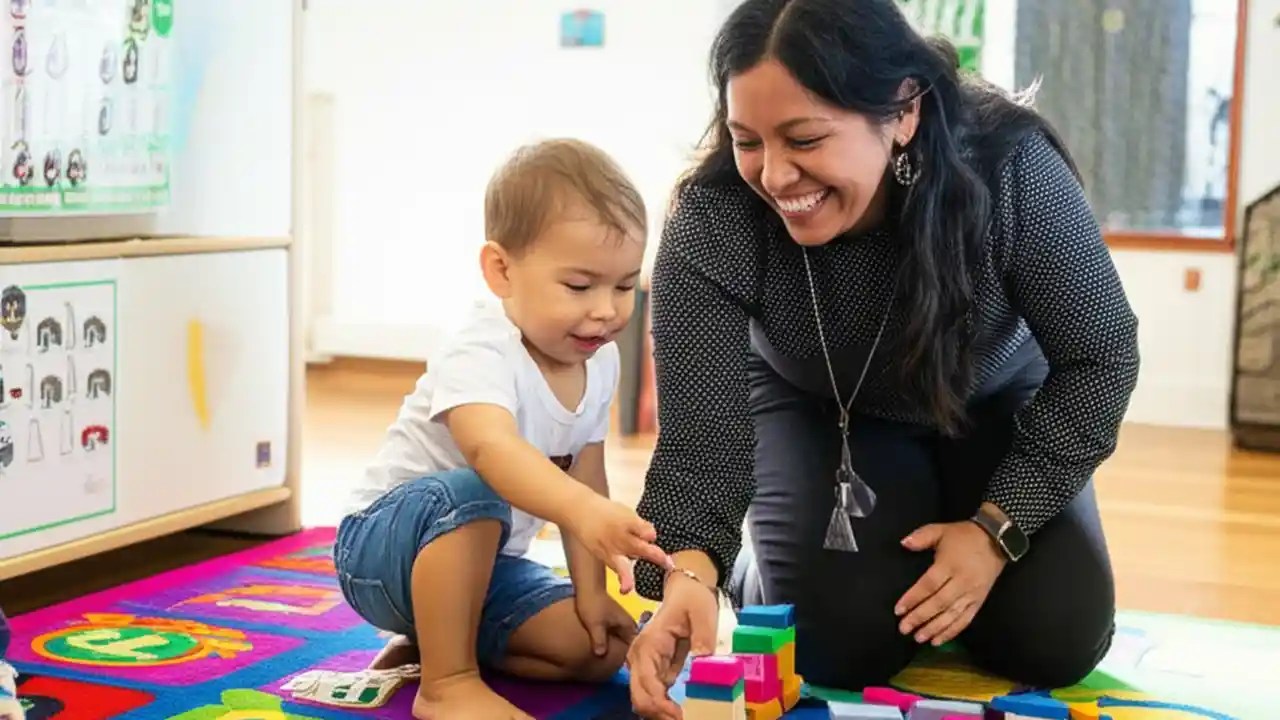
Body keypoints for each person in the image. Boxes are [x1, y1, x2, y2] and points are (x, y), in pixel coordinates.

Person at [623, 0, 1140, 717]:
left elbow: (1101, 355)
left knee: (1054, 638)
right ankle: (757, 566)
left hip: (990, 399)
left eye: (804, 138)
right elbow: (701, 440)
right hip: (820, 406)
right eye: (747, 140)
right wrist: (689, 572)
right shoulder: (713, 215)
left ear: (902, 112)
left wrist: (996, 529)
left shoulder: (1010, 170)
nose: (773, 176)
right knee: (833, 645)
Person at [334, 138, 672, 720]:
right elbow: (491, 449)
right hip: (381, 553)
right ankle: (448, 683)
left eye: (623, 285)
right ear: (501, 270)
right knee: (477, 484)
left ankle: (435, 643)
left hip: (487, 572)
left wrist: (592, 594)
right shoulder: (480, 345)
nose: (607, 310)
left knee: (601, 648)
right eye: (579, 286)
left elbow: (586, 480)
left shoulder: (601, 360)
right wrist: (584, 512)